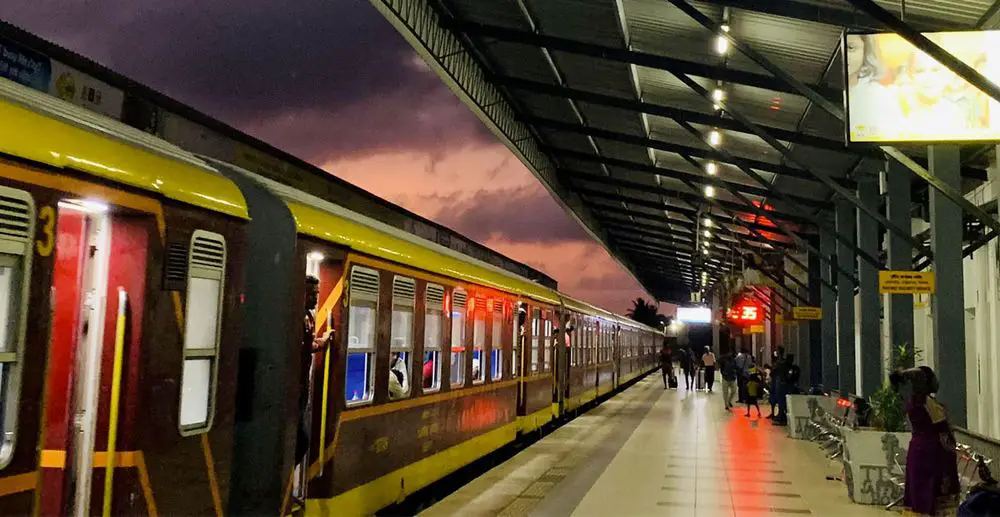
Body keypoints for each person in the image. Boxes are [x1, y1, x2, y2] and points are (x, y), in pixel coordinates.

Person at [891, 366, 960, 515]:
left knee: (918, 495)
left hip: (917, 451)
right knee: (933, 494)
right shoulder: (928, 403)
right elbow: (942, 428)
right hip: (934, 453)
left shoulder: (911, 402)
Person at [298, 276, 332, 466]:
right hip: (296, 386)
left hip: (302, 384)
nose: (314, 298)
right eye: (310, 294)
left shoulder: (308, 317)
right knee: (301, 439)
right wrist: (322, 341)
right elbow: (303, 346)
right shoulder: (298, 317)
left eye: (316, 293)